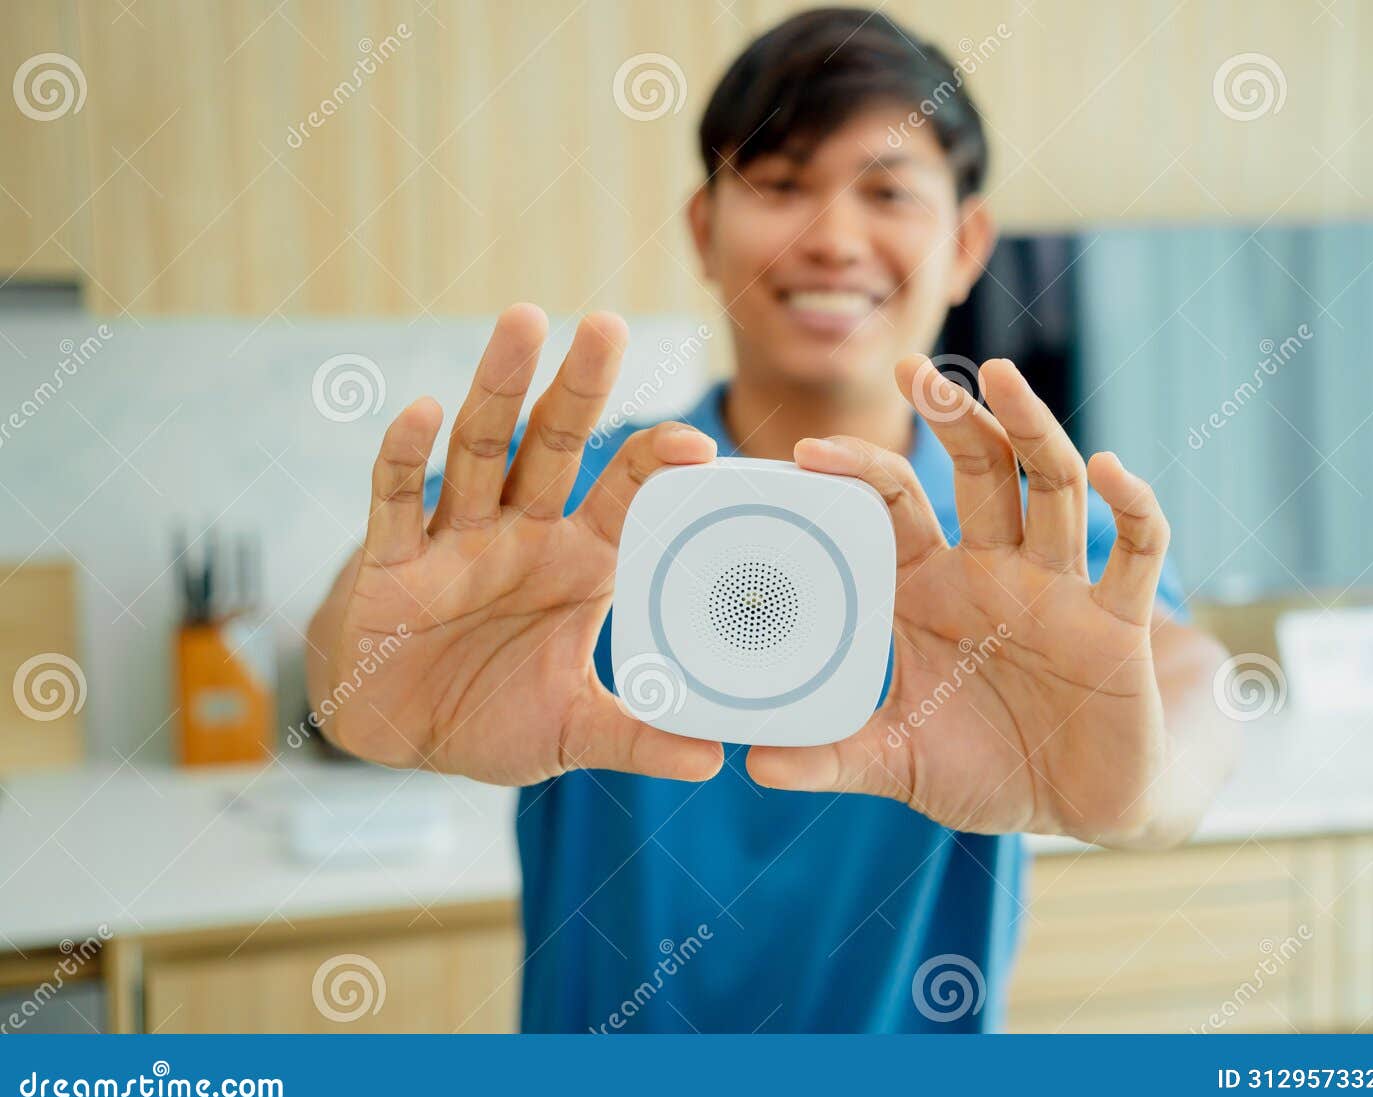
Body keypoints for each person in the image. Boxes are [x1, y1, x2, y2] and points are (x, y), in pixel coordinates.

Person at [304, 6, 1235, 1033]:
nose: (832, 238)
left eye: (885, 190)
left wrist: (1141, 786)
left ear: (967, 242)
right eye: (782, 184)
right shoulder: (570, 503)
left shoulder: (1022, 549)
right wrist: (354, 683)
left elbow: (1186, 681)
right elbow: (357, 642)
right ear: (703, 229)